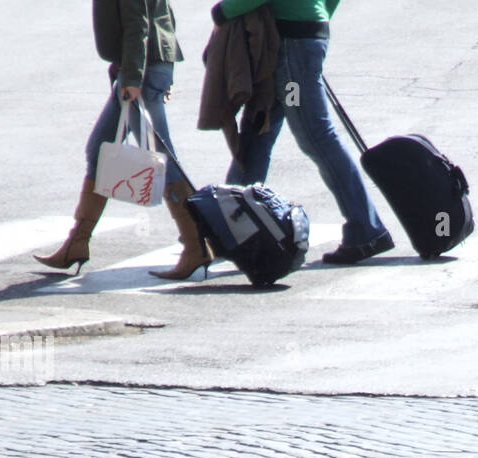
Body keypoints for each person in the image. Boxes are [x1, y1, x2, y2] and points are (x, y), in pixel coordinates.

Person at [35, 0, 212, 281]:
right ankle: (77, 241)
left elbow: (138, 22)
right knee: (100, 149)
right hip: (144, 67)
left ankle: (196, 244)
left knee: (159, 157)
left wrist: (132, 75)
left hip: (143, 71)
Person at [210, 0, 393, 265]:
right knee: (257, 130)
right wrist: (317, 19)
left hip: (291, 45)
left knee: (316, 136)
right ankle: (230, 227)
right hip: (296, 38)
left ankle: (366, 229)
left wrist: (224, 11)